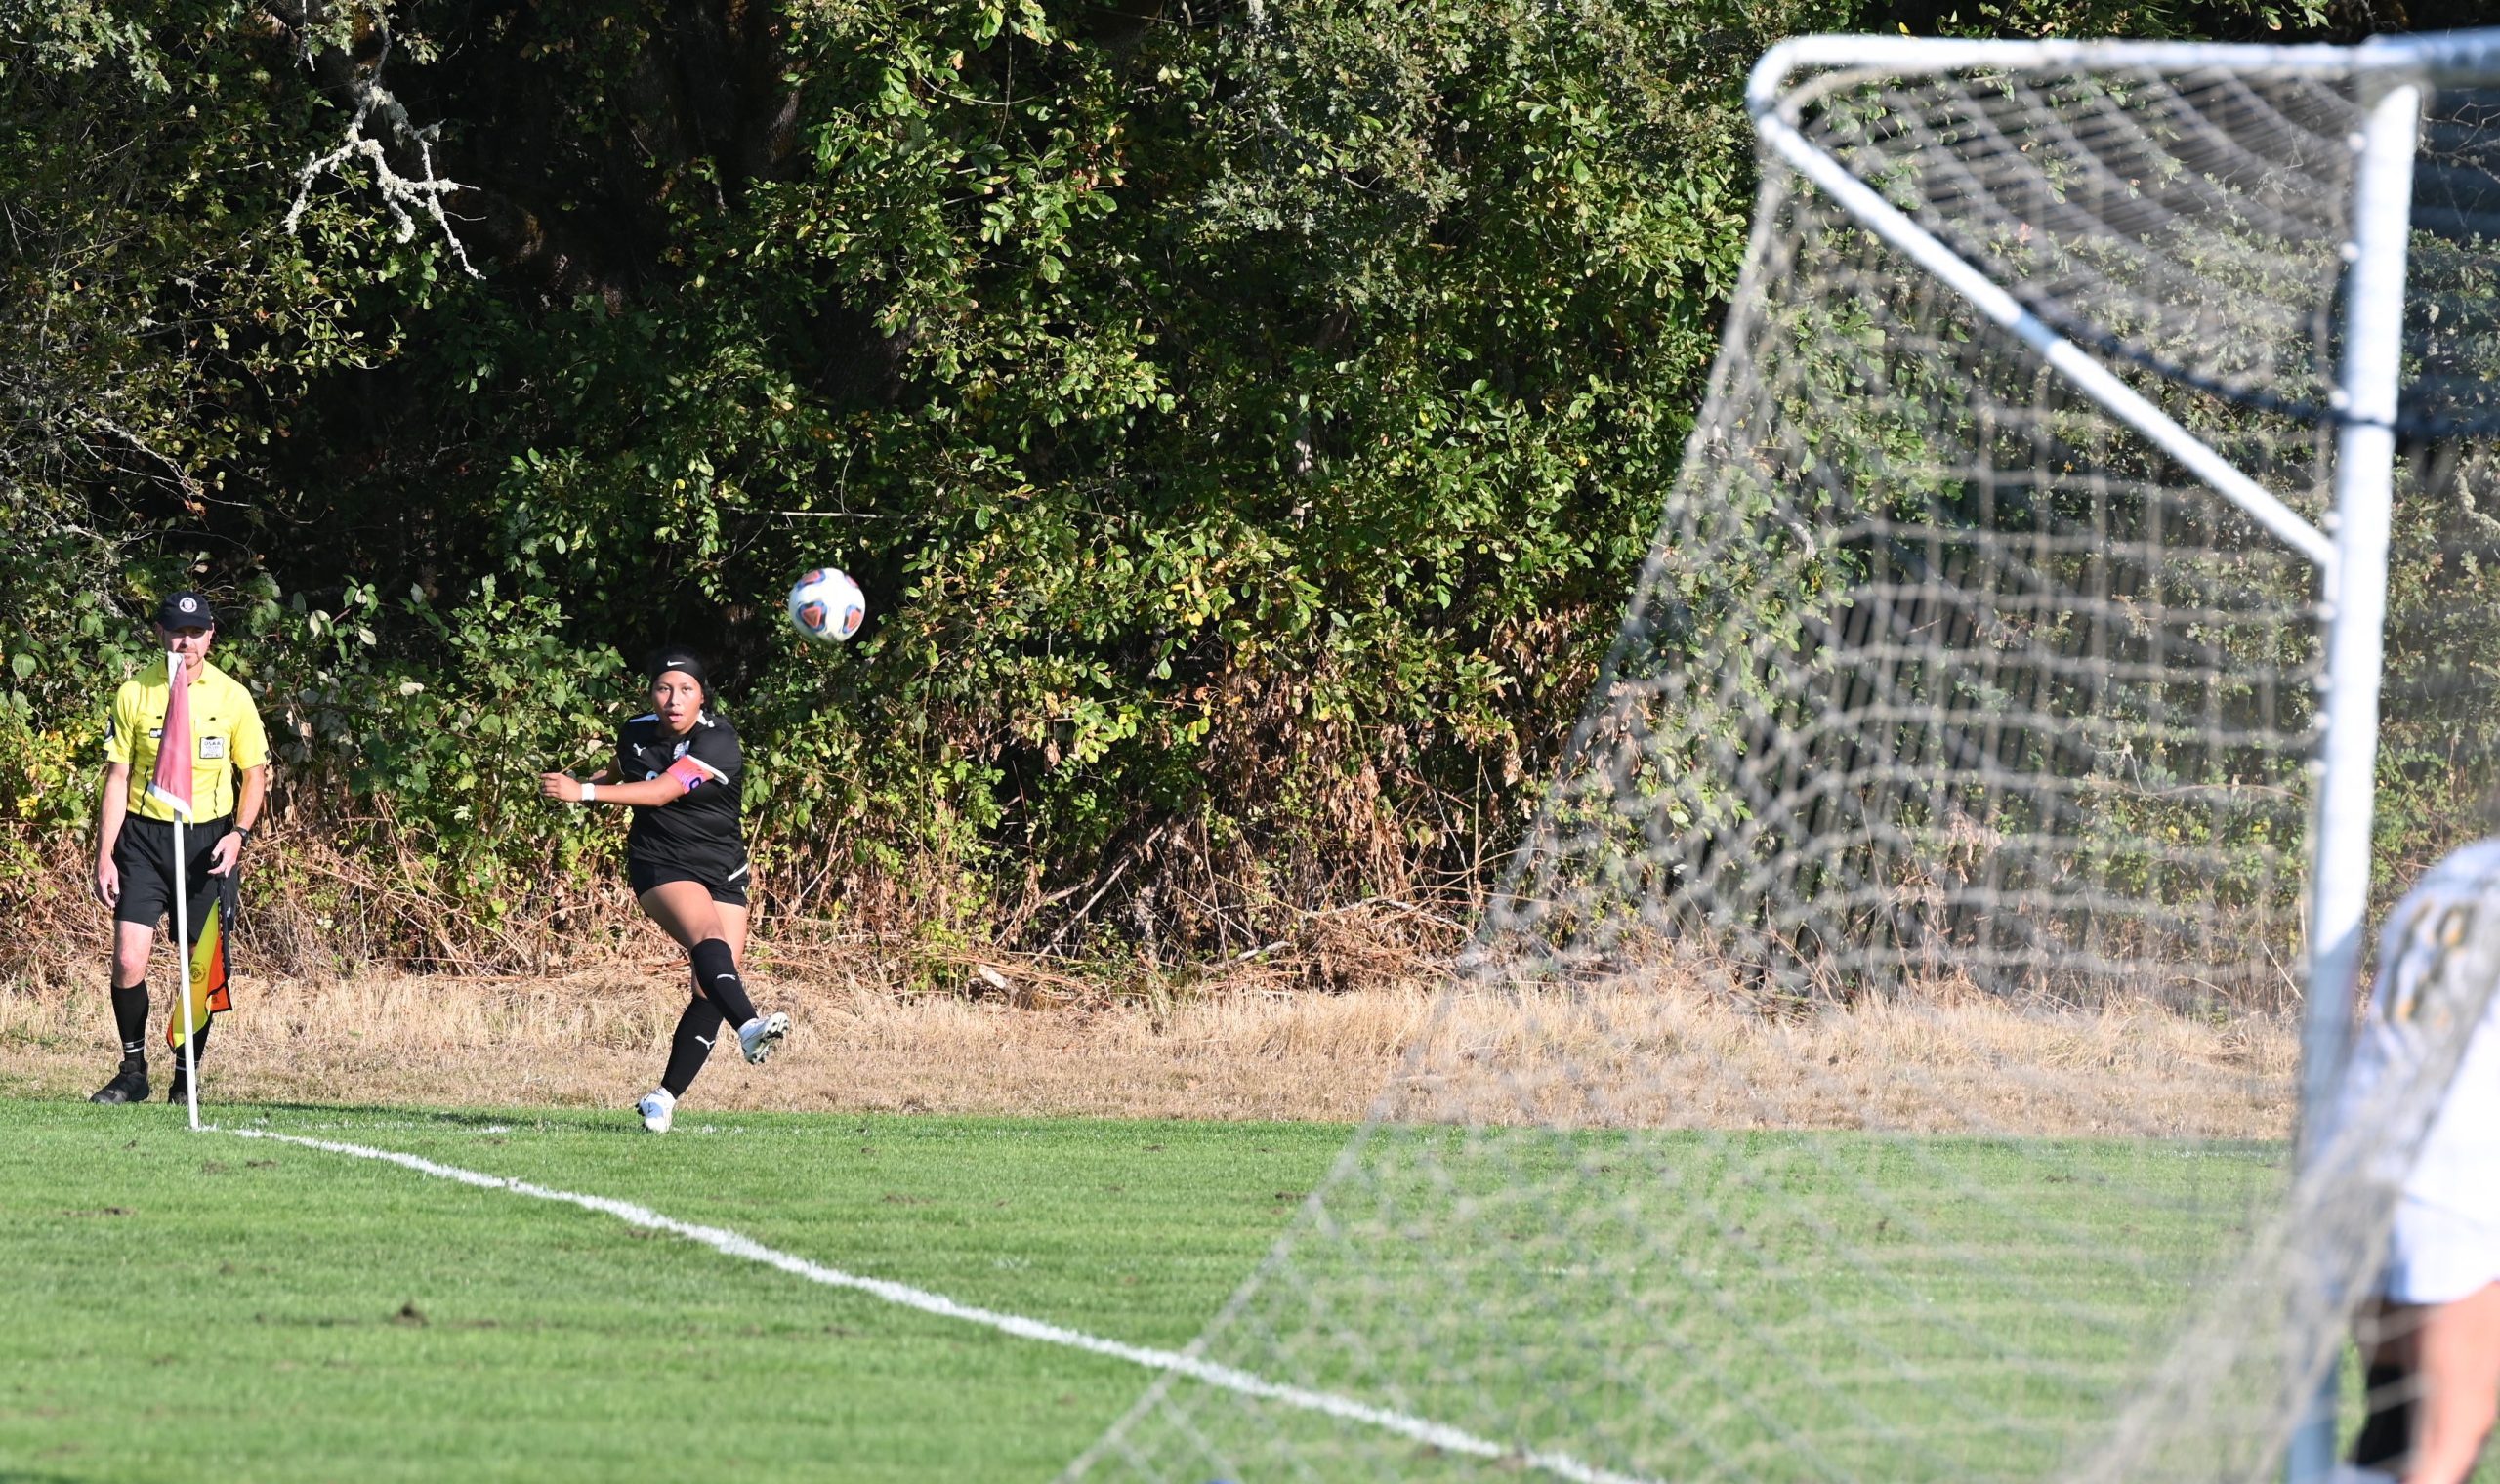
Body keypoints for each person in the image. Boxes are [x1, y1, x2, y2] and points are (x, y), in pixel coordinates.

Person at [539, 648, 787, 1133]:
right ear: (651, 693)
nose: (674, 700)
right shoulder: (635, 730)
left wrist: (582, 793)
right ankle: (750, 1027)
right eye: (664, 689)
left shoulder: (719, 743)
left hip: (724, 869)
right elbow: (623, 772)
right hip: (661, 864)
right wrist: (579, 786)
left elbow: (659, 791)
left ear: (702, 697)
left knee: (710, 988)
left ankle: (663, 1098)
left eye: (686, 690)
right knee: (707, 939)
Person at [2339, 838, 2500, 1484]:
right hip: (2454, 1186)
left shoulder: (2459, 871)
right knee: (2442, 1452)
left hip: (2363, 1169)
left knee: (2393, 1431)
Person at [89, 591, 270, 1105]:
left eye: (194, 632)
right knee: (128, 959)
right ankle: (132, 1071)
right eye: (175, 631)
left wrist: (240, 835)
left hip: (208, 841)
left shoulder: (233, 697)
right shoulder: (136, 692)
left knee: (199, 963)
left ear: (210, 634)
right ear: (160, 633)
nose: (184, 641)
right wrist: (104, 854)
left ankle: (185, 1075)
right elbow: (118, 777)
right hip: (144, 838)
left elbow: (254, 776)